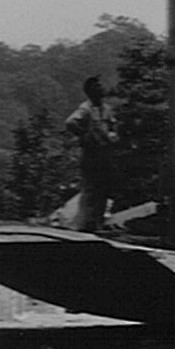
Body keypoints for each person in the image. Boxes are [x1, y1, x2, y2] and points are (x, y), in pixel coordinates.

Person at [64, 76, 114, 233]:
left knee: (103, 189)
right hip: (91, 153)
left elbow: (112, 125)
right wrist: (85, 135)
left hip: (105, 152)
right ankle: (84, 223)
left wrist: (112, 136)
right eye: (98, 87)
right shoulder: (85, 108)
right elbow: (71, 122)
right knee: (90, 189)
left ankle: (97, 222)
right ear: (91, 91)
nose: (102, 89)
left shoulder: (106, 108)